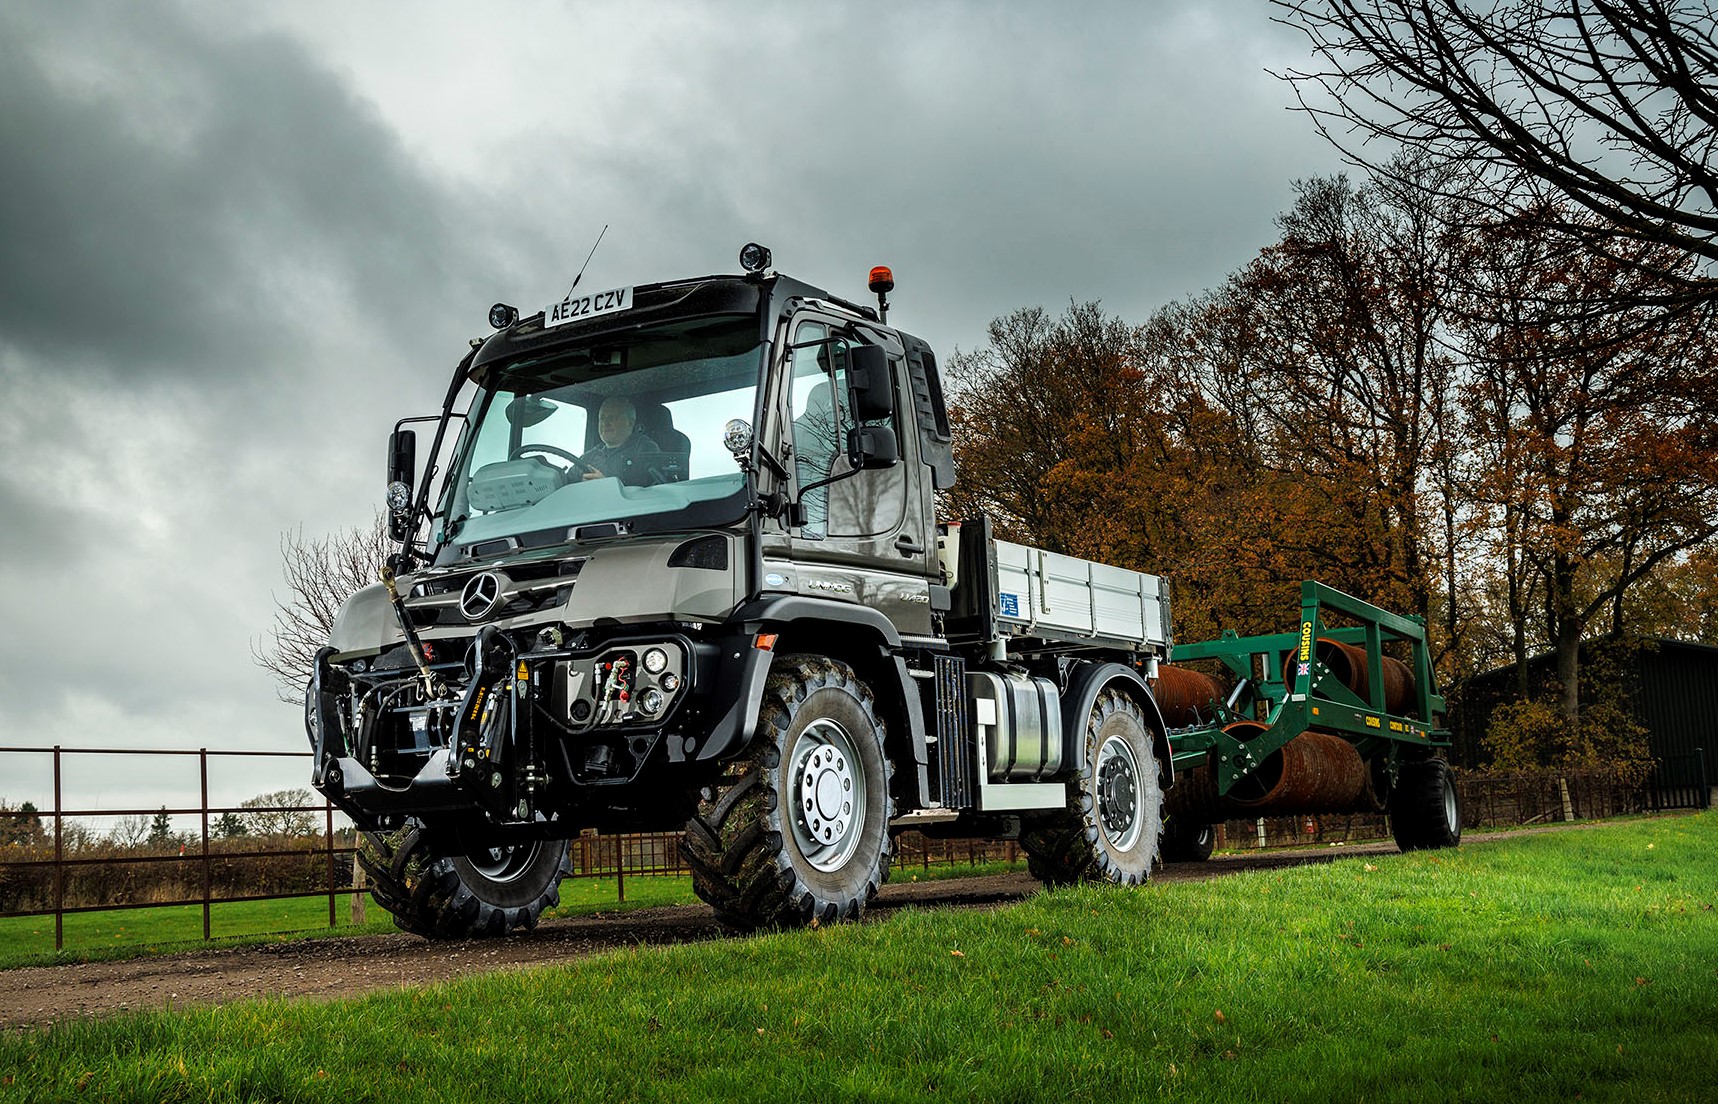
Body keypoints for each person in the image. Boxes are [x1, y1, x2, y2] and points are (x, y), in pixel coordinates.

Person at [577, 396, 660, 484]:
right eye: (602, 418)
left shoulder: (645, 449)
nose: (606, 423)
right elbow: (566, 481)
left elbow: (651, 490)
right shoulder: (590, 456)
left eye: (612, 418)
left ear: (630, 423)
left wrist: (606, 485)